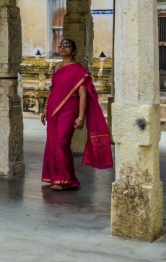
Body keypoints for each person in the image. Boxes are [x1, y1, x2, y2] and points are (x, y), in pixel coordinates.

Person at [40, 38, 113, 190]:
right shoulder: (57, 66)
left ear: (73, 50)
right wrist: (46, 109)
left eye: (67, 46)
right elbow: (53, 89)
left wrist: (80, 117)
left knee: (62, 141)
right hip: (54, 108)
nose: (63, 48)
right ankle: (59, 177)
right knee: (52, 142)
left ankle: (64, 178)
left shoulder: (79, 70)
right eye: (61, 45)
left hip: (70, 108)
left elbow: (83, 94)